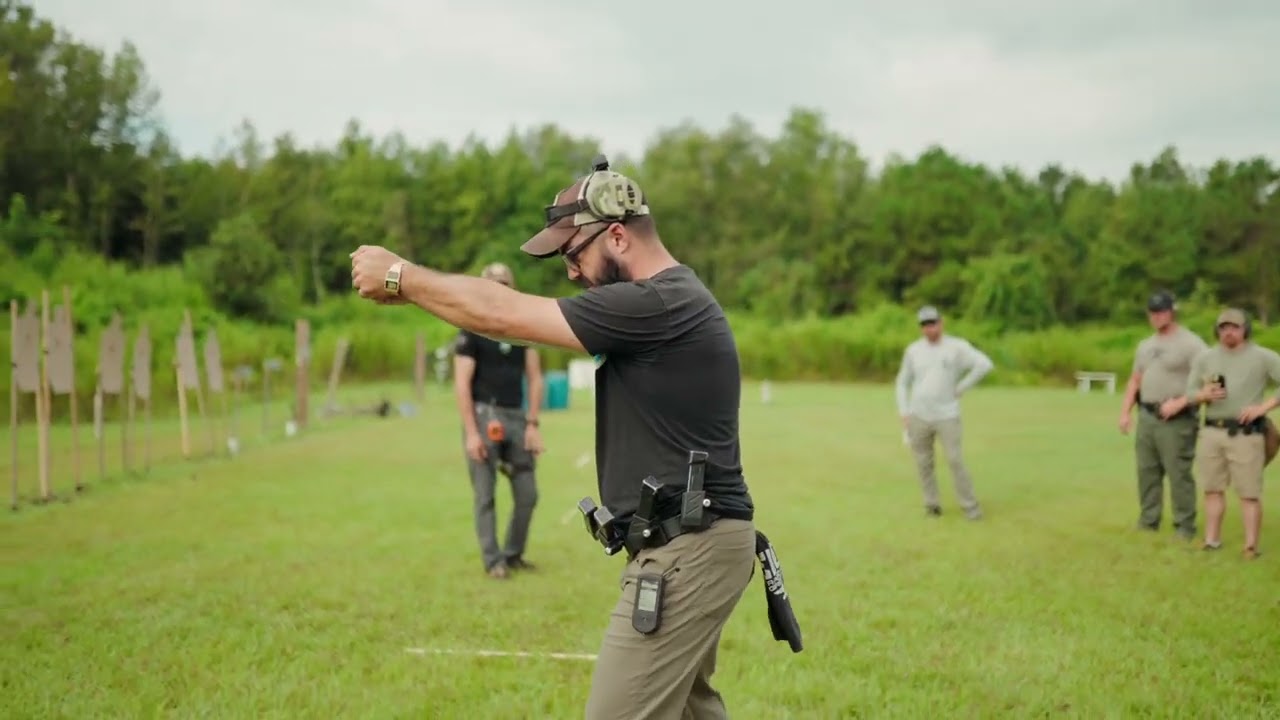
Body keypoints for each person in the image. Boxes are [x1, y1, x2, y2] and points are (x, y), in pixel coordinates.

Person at [350, 156, 777, 718]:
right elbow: (498, 318)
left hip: (688, 548)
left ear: (618, 236)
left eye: (575, 253)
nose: (572, 272)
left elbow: (504, 314)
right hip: (689, 542)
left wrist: (401, 274)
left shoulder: (657, 304)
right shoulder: (667, 303)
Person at [452, 262, 545, 579]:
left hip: (517, 417)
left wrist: (532, 424)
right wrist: (471, 433)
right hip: (483, 415)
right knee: (485, 493)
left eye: (505, 283)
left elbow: (535, 379)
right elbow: (462, 383)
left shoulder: (523, 330)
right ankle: (494, 562)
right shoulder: (470, 328)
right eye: (494, 283)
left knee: (528, 493)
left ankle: (513, 554)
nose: (499, 289)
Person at [1171, 308, 1280, 559]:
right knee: (1212, 489)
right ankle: (1212, 541)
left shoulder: (1263, 357)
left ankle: (1251, 546)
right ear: (1217, 330)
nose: (1228, 332)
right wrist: (1203, 395)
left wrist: (1262, 407)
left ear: (1245, 329)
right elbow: (1189, 393)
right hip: (1211, 430)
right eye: (1223, 327)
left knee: (1249, 493)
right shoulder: (1205, 358)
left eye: (1234, 327)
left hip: (1246, 433)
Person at [1117, 291, 1208, 540]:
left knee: (1178, 473)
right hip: (1147, 416)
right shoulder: (1145, 346)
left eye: (1162, 311)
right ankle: (1148, 521)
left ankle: (1184, 526)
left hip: (1177, 420)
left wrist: (1181, 402)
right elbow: (1135, 380)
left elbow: (1211, 382)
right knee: (1147, 472)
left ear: (1172, 312)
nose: (1157, 316)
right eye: (1153, 312)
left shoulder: (1191, 343)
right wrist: (1125, 412)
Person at [894, 305, 994, 520]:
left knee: (955, 459)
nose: (930, 328)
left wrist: (962, 387)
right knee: (923, 462)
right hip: (919, 414)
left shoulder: (956, 347)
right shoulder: (913, 351)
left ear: (941, 322)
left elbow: (984, 364)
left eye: (933, 323)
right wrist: (904, 412)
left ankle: (971, 507)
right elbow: (902, 382)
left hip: (947, 414)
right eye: (925, 325)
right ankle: (932, 505)